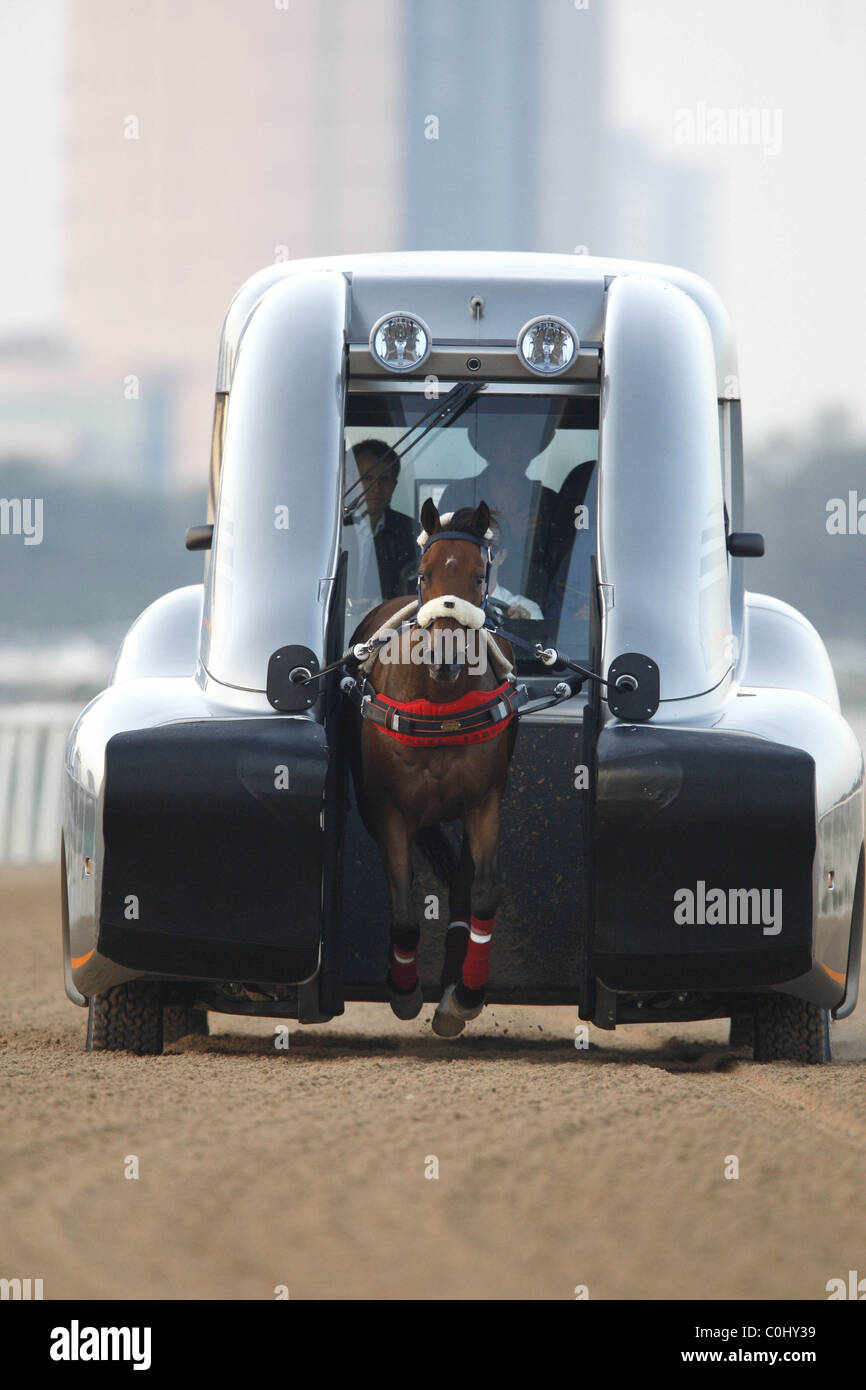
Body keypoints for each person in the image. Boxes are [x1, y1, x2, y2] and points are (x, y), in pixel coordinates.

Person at [345, 440, 417, 604]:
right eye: (368, 478)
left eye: (384, 479)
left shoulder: (411, 532)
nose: (376, 488)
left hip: (390, 624)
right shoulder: (332, 530)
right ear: (349, 480)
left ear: (394, 484)